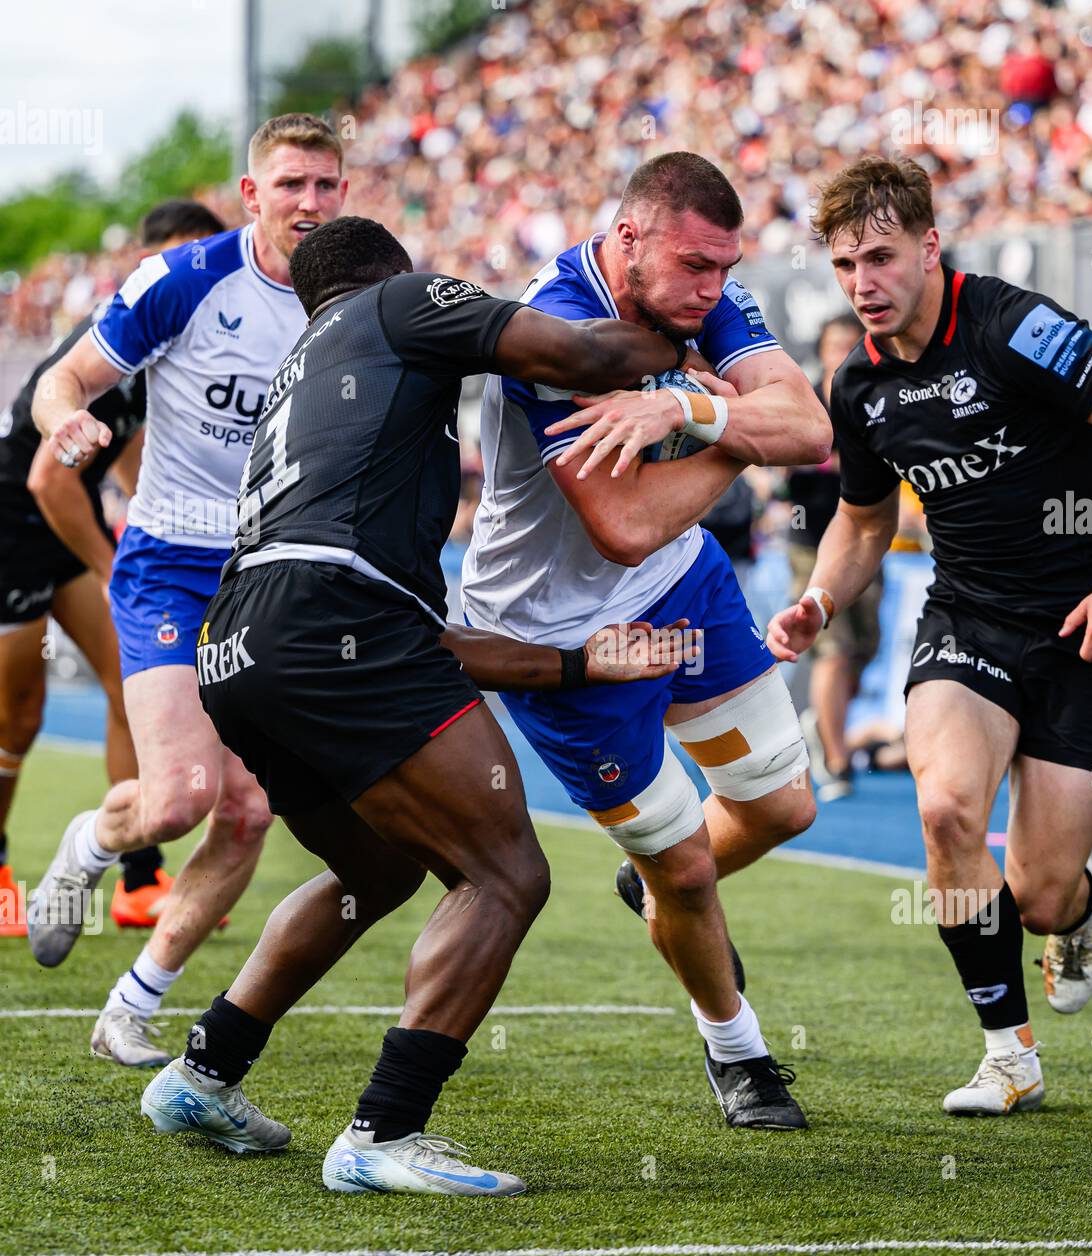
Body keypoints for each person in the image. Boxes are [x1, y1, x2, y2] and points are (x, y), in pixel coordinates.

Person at [140, 216, 700, 1196]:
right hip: (326, 624)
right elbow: (582, 352)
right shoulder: (401, 303)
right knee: (506, 872)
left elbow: (420, 646)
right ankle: (382, 1133)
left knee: (378, 867)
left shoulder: (309, 379)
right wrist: (694, 326)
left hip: (243, 639)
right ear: (390, 277)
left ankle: (203, 1071)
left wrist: (580, 662)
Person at [768, 155, 1092, 1115]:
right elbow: (865, 521)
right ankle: (1009, 1054)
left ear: (928, 246)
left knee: (1037, 894)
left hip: (1089, 629)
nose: (863, 284)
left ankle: (1075, 912)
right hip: (968, 619)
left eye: (879, 258)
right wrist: (822, 601)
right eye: (843, 267)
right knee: (949, 811)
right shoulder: (858, 385)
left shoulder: (1011, 325)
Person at [461, 153, 831, 1130]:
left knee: (785, 807)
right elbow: (621, 523)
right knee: (693, 868)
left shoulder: (700, 301)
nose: (714, 292)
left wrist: (685, 405)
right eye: (695, 267)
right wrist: (731, 439)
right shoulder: (551, 330)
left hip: (681, 583)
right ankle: (737, 1050)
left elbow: (809, 426)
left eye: (725, 267)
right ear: (627, 238)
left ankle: (654, 884)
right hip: (560, 631)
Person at [26, 115, 348, 1072]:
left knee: (251, 811)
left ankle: (134, 1002)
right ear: (252, 196)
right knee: (178, 799)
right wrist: (66, 425)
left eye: (328, 185)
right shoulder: (186, 280)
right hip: (170, 558)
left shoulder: (357, 296)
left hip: (273, 573)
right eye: (292, 185)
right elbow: (65, 378)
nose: (312, 204)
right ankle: (89, 843)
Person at [0, 200, 224, 939]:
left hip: (71, 524)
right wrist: (112, 564)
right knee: (17, 720)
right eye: (189, 255)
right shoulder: (119, 333)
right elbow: (43, 480)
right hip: (15, 523)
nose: (204, 272)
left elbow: (125, 445)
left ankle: (138, 878)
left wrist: (133, 508)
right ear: (150, 263)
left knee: (129, 690)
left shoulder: (176, 342)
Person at [785, 314, 887, 802]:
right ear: (822, 351)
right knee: (835, 648)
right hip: (813, 544)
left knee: (865, 647)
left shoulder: (877, 395)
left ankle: (826, 724)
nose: (842, 353)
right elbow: (788, 459)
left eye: (852, 344)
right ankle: (836, 758)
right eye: (834, 345)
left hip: (868, 541)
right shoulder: (806, 398)